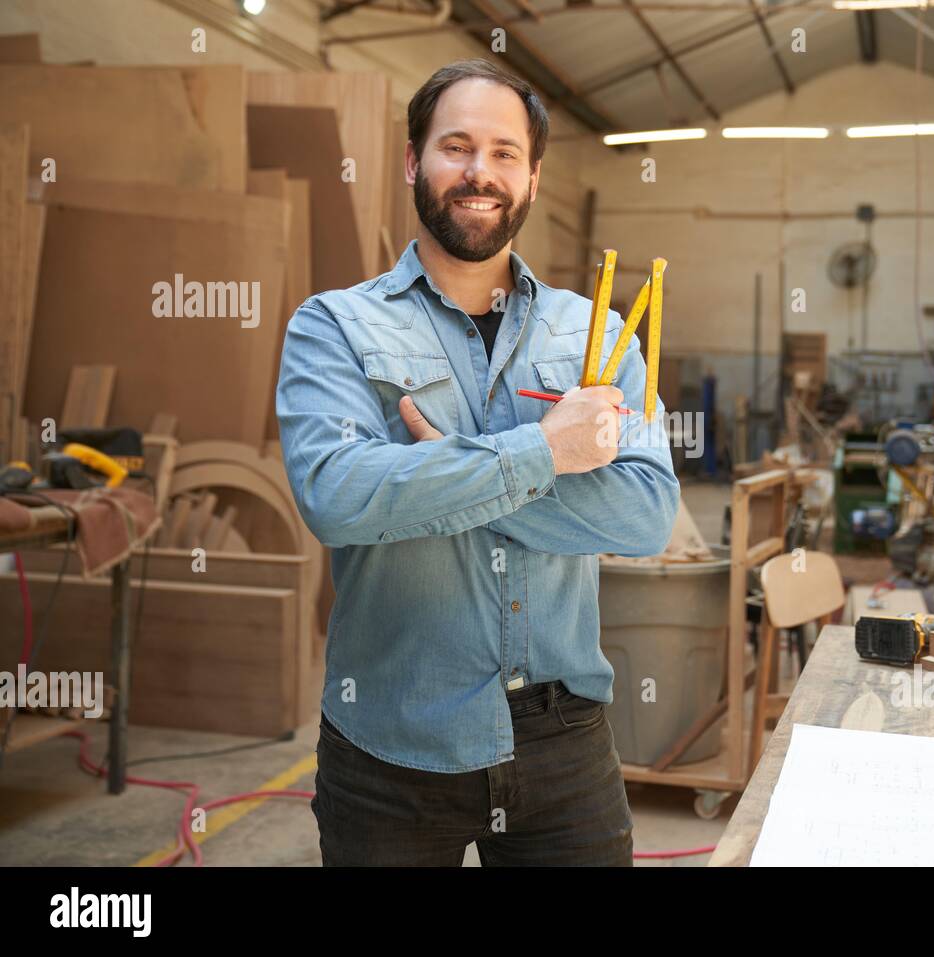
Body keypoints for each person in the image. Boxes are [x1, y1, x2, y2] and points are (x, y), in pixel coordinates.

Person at [275, 58, 679, 866]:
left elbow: (644, 515)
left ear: (532, 176)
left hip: (566, 744)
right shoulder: (334, 326)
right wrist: (547, 453)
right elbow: (339, 497)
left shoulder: (593, 336)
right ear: (412, 162)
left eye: (502, 153)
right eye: (455, 146)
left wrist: (440, 472)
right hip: (391, 738)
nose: (478, 172)